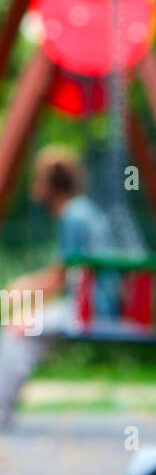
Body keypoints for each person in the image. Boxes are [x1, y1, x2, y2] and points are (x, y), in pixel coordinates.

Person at [0, 147, 116, 428]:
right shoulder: (82, 210)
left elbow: (61, 276)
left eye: (38, 180)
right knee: (23, 328)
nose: (35, 187)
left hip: (91, 306)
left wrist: (26, 291)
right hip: (90, 302)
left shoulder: (73, 215)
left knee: (18, 331)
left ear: (51, 185)